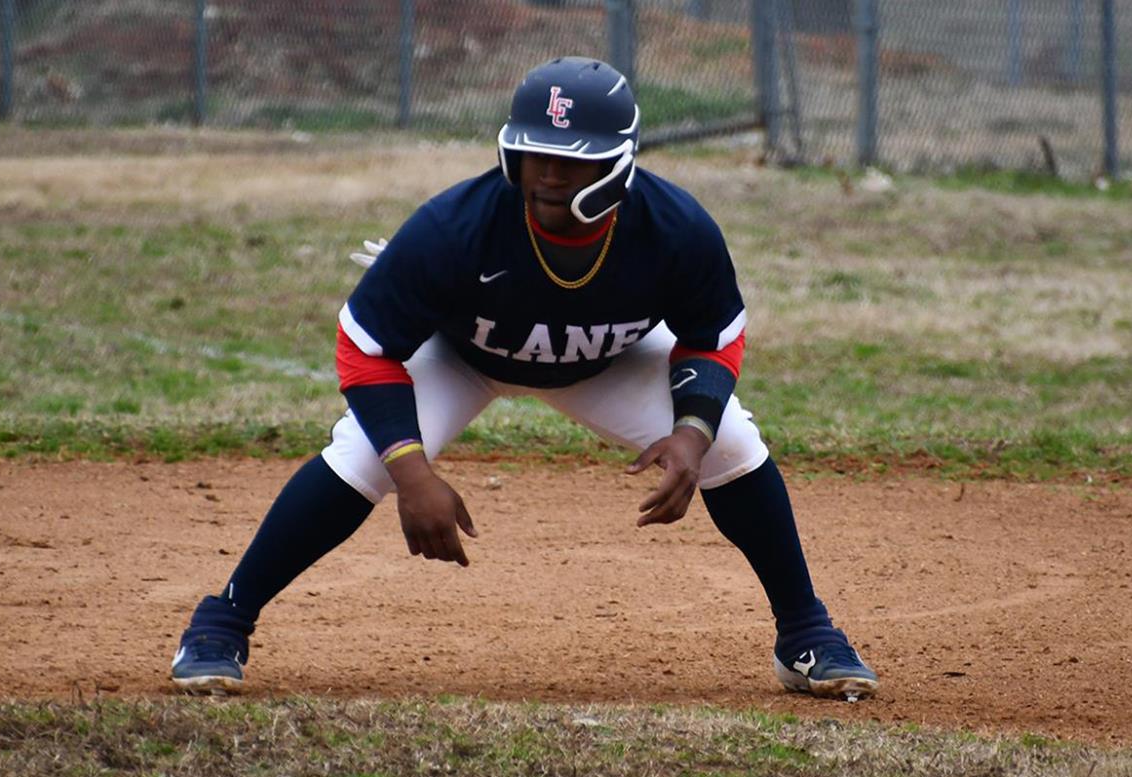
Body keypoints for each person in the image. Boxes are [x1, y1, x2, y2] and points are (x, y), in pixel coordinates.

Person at [170, 56, 878, 701]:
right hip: (462, 356)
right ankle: (222, 619)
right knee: (363, 459)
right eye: (535, 153)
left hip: (606, 362)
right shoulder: (454, 227)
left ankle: (804, 633)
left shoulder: (676, 229)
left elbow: (714, 336)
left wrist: (691, 433)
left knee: (731, 445)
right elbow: (364, 347)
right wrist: (413, 473)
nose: (547, 174)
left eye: (573, 162)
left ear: (620, 167)